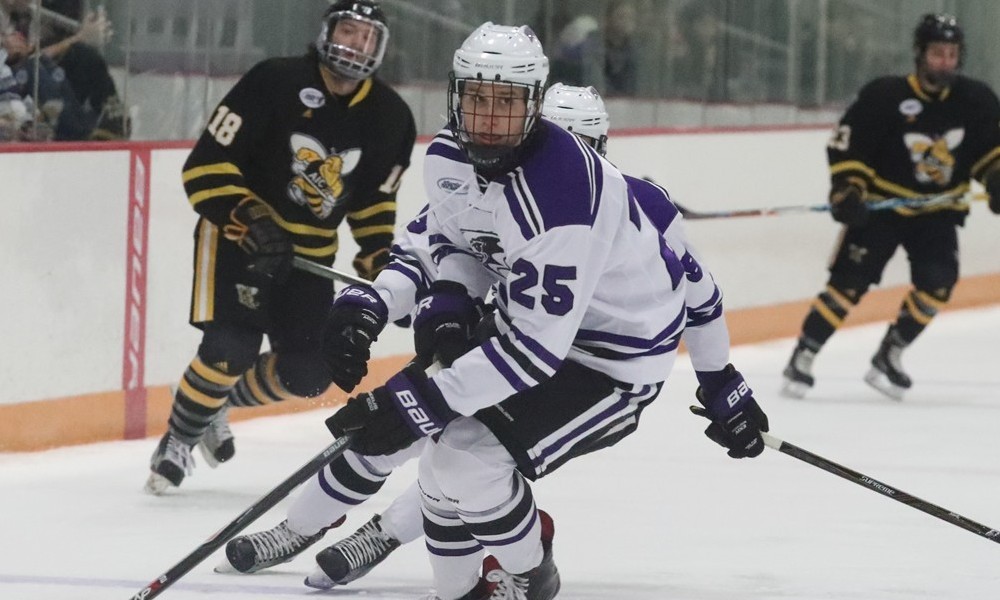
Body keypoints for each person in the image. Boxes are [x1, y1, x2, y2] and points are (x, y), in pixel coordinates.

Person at [217, 77, 766, 595]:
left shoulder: (628, 203)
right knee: (386, 425)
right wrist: (386, 303)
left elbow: (699, 293)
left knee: (460, 454)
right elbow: (425, 251)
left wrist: (720, 381)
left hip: (593, 360)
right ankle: (300, 526)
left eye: (587, 144)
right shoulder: (493, 177)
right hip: (515, 335)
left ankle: (389, 531)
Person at [145, 0, 416, 495]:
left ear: (380, 48)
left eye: (366, 36)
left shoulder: (391, 118)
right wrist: (251, 218)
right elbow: (206, 165)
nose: (355, 43)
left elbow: (374, 207)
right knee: (229, 349)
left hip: (310, 260)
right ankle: (178, 439)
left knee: (311, 374)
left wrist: (384, 265)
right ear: (326, 31)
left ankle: (213, 404)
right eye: (348, 30)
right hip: (239, 240)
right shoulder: (273, 80)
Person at [781, 13, 1000, 401]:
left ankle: (890, 353)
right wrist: (848, 191)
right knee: (847, 286)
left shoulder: (976, 100)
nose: (945, 61)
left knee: (937, 285)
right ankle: (804, 354)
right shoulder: (885, 95)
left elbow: (989, 153)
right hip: (881, 207)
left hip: (937, 213)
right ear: (920, 54)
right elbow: (850, 147)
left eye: (952, 54)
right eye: (937, 53)